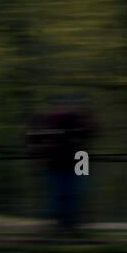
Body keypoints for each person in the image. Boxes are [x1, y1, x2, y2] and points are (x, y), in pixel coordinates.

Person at [25, 96, 94, 230]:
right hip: (65, 160)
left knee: (70, 192)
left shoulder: (70, 120)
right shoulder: (55, 121)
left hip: (74, 159)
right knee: (67, 192)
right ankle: (66, 220)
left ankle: (67, 219)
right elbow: (36, 138)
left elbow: (88, 133)